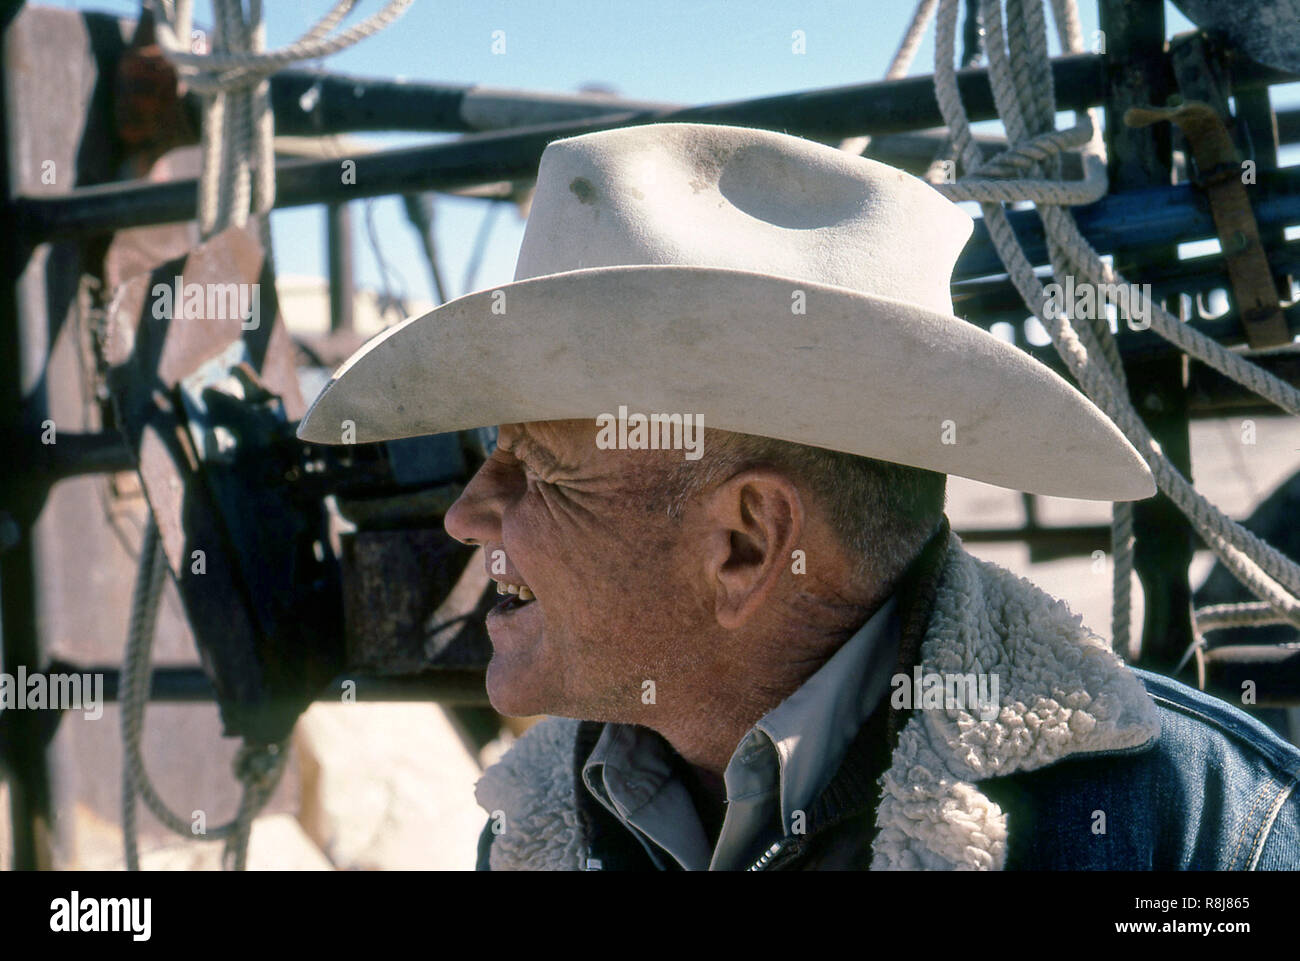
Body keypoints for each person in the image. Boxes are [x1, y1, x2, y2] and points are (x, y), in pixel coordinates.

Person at [298, 122, 1300, 870]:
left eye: (533, 471)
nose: (468, 513)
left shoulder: (1205, 837)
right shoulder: (534, 829)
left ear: (744, 542)